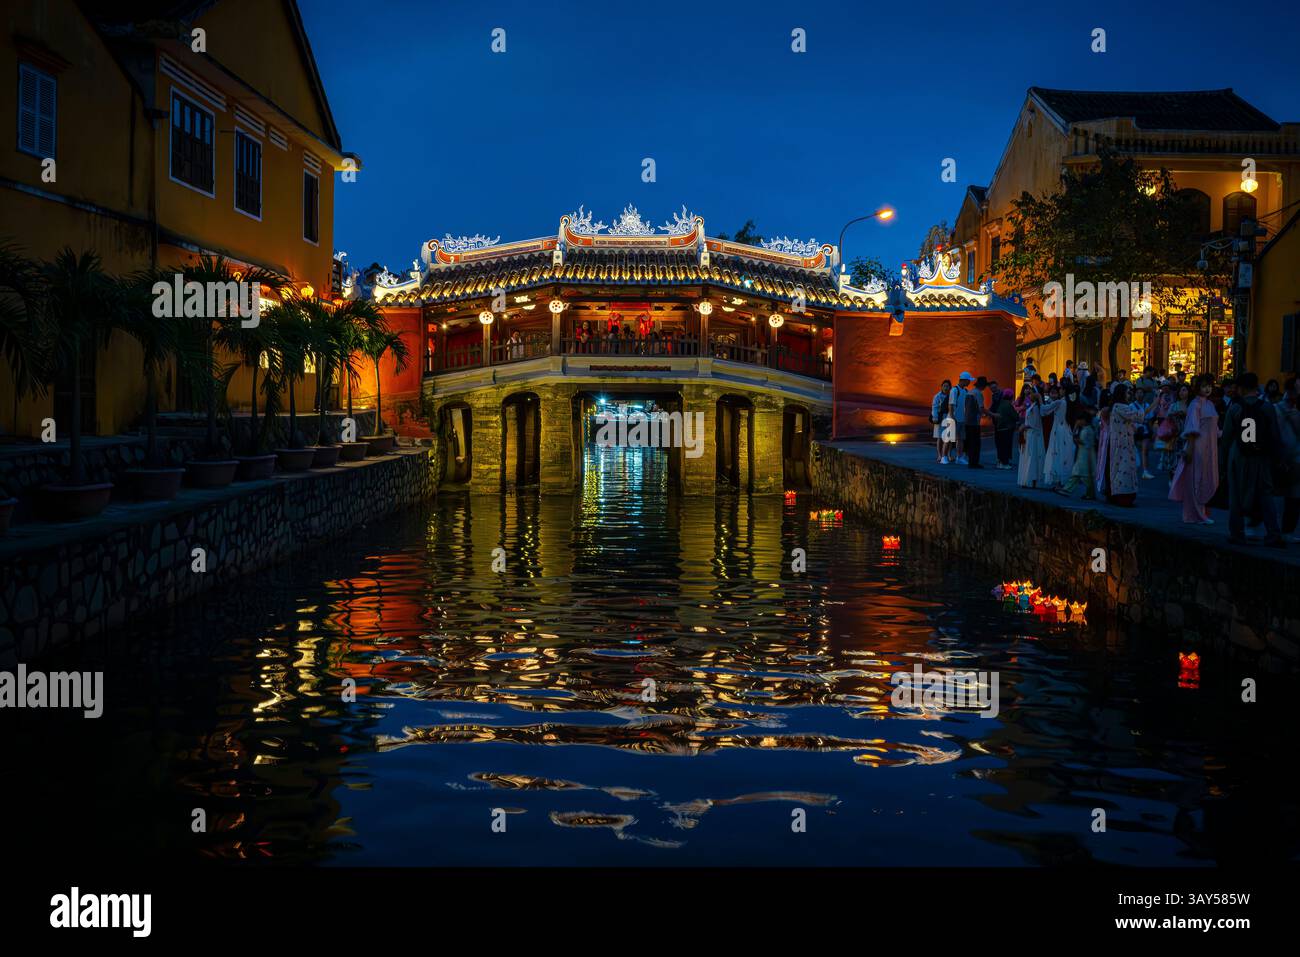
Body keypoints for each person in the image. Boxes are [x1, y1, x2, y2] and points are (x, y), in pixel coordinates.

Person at [1222, 372, 1285, 547]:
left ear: (1241, 388)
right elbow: (1274, 435)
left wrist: (1222, 461)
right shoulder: (1266, 408)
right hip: (1261, 455)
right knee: (1266, 494)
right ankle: (1273, 533)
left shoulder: (1235, 408)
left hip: (1238, 455)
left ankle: (1237, 533)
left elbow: (1226, 437)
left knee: (1235, 495)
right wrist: (1278, 458)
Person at [1169, 374, 1219, 524]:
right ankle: (1195, 514)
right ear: (1197, 388)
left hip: (1210, 447)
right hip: (1197, 446)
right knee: (1195, 479)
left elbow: (1215, 429)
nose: (1207, 389)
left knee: (1206, 478)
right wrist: (1190, 449)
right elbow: (1192, 428)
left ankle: (1202, 512)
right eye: (1204, 386)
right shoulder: (1194, 405)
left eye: (1209, 386)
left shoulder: (1210, 404)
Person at [1101, 383, 1144, 506]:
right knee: (1123, 470)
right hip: (1122, 444)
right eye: (1127, 392)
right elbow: (1138, 417)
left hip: (1121, 443)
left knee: (1119, 469)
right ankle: (1122, 498)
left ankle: (1117, 496)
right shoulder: (1120, 407)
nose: (1129, 395)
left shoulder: (1116, 406)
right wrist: (1154, 404)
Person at [1055, 402, 1098, 500]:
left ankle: (1069, 490)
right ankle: (1088, 494)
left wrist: (1077, 440)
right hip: (1084, 457)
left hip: (1085, 457)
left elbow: (1087, 443)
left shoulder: (1088, 431)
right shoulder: (1088, 429)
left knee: (1080, 476)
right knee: (1084, 477)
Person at [1041, 384, 1074, 487]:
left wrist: (1039, 399)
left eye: (1061, 389)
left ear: (1064, 390)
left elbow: (1044, 410)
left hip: (1058, 431)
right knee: (1065, 454)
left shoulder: (1060, 402)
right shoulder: (1070, 402)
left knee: (1057, 453)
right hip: (1067, 430)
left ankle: (1059, 479)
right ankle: (1063, 479)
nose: (1060, 391)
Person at [1017, 388, 1047, 488]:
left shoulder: (1037, 408)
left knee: (1032, 458)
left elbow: (1034, 424)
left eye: (1031, 393)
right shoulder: (1032, 406)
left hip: (1033, 435)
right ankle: (1027, 479)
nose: (1029, 395)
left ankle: (1031, 480)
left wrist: (1023, 427)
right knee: (1028, 458)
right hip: (1029, 434)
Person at [964, 376, 989, 468]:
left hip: (967, 420)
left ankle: (971, 461)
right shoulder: (978, 394)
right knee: (976, 443)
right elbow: (981, 408)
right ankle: (974, 462)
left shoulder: (969, 393)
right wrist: (992, 414)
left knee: (970, 442)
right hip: (974, 422)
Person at [950, 371, 973, 463]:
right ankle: (945, 455)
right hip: (956, 418)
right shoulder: (955, 390)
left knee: (961, 438)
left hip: (962, 419)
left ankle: (959, 457)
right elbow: (951, 405)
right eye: (968, 380)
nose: (969, 382)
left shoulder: (965, 391)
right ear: (964, 380)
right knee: (951, 439)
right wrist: (952, 417)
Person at [993, 388, 1017, 469]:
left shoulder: (1001, 404)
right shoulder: (1008, 405)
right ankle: (1005, 463)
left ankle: (1000, 462)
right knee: (1006, 446)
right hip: (1007, 428)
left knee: (1000, 446)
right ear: (1011, 396)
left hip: (1000, 427)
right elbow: (1015, 416)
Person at [931, 378, 953, 463]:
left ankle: (949, 455)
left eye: (947, 386)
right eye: (944, 386)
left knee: (949, 437)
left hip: (949, 416)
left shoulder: (952, 395)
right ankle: (940, 455)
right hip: (940, 417)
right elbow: (935, 407)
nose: (946, 388)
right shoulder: (937, 396)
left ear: (950, 387)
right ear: (941, 387)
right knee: (940, 437)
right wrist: (935, 417)